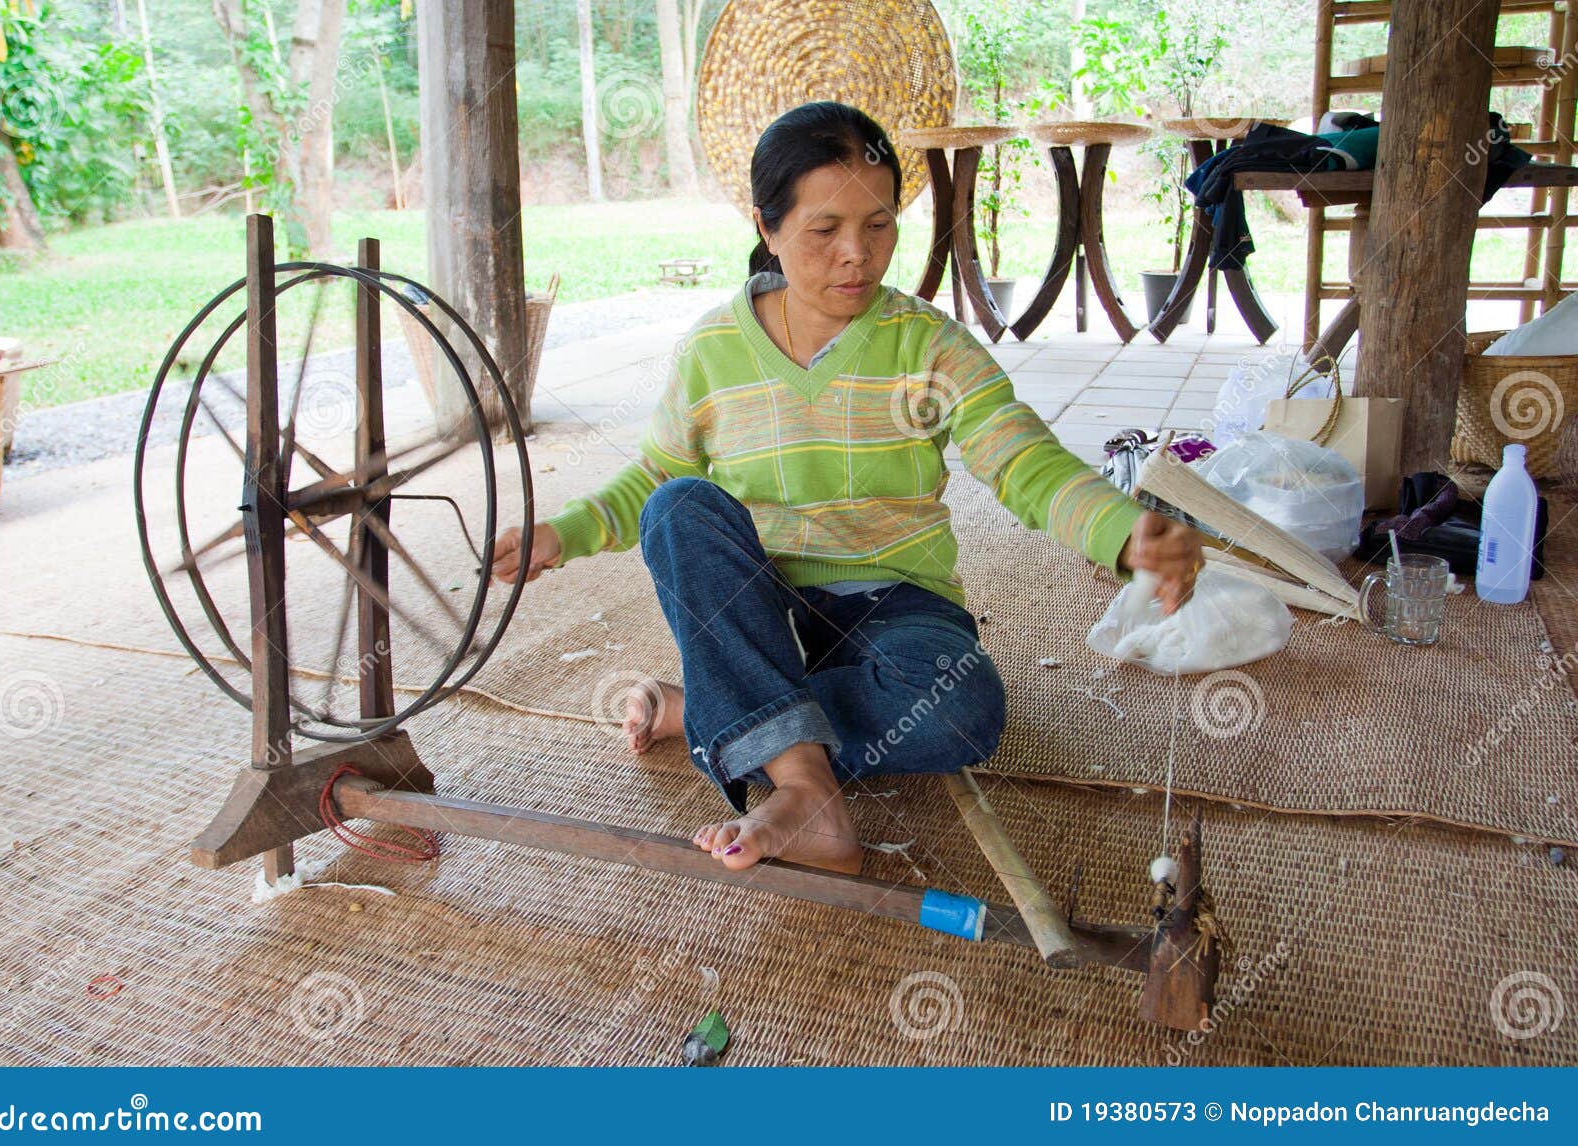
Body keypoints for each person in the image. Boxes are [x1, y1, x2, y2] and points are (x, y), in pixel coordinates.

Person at [490, 101, 1201, 877]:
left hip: (899, 605)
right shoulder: (713, 351)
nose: (857, 255)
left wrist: (1121, 528)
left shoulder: (927, 345)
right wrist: (564, 532)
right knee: (677, 508)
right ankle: (805, 788)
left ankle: (724, 711)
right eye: (824, 230)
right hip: (763, 607)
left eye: (880, 225)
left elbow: (1020, 457)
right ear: (767, 228)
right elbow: (659, 475)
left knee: (962, 710)